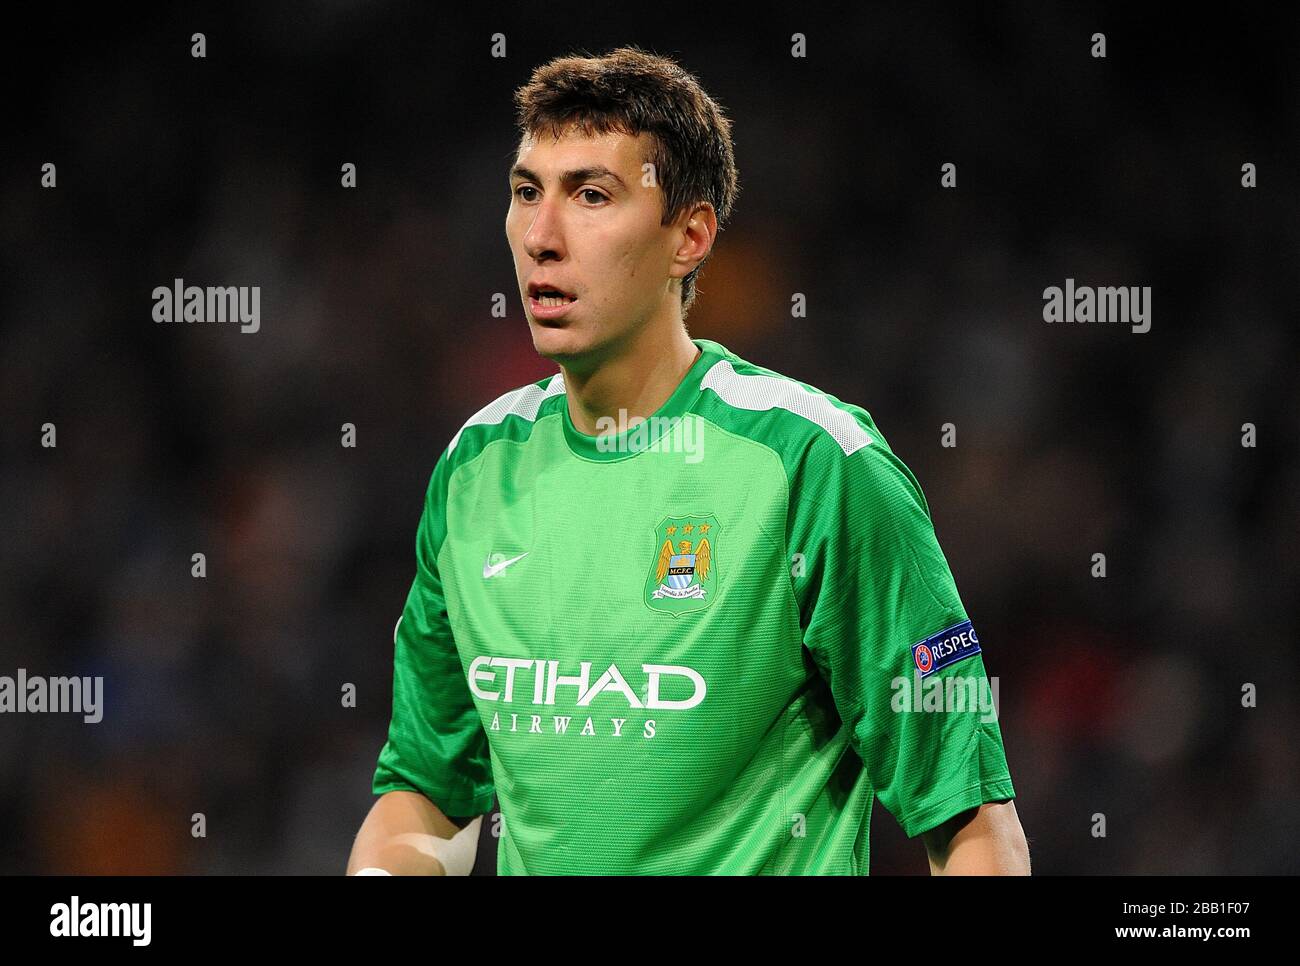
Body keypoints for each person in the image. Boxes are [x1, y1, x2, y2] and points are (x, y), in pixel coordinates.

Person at [347, 45, 1029, 875]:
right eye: (527, 193)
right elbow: (428, 793)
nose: (540, 236)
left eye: (590, 195)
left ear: (690, 237)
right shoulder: (472, 470)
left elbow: (969, 820)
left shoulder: (814, 464)